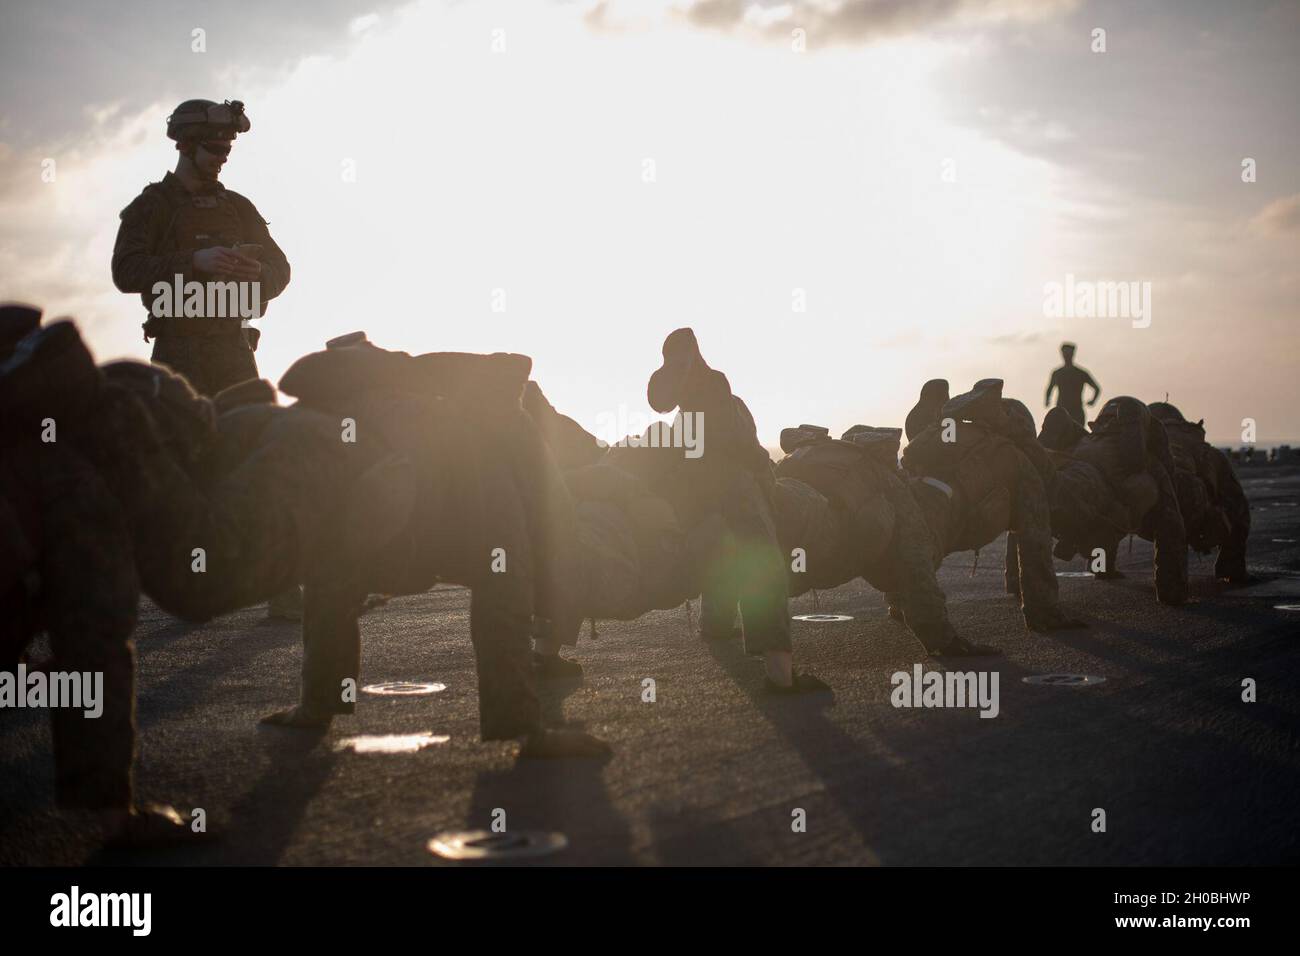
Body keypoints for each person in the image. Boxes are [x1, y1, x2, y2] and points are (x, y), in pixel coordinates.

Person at [111, 99, 290, 397]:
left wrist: (258, 272)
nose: (223, 158)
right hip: (177, 358)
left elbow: (281, 270)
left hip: (235, 353)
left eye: (228, 150)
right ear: (186, 146)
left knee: (248, 437)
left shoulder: (238, 207)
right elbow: (126, 271)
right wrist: (194, 261)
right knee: (180, 439)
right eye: (215, 149)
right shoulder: (152, 206)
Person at [1045, 342, 1100, 425]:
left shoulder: (1081, 373)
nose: (1067, 356)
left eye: (1069, 353)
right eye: (1065, 353)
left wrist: (1093, 401)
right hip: (1061, 411)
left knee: (1078, 436)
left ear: (1073, 354)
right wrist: (1047, 400)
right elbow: (1049, 389)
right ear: (1062, 354)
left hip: (1076, 411)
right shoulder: (1057, 373)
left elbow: (1097, 389)